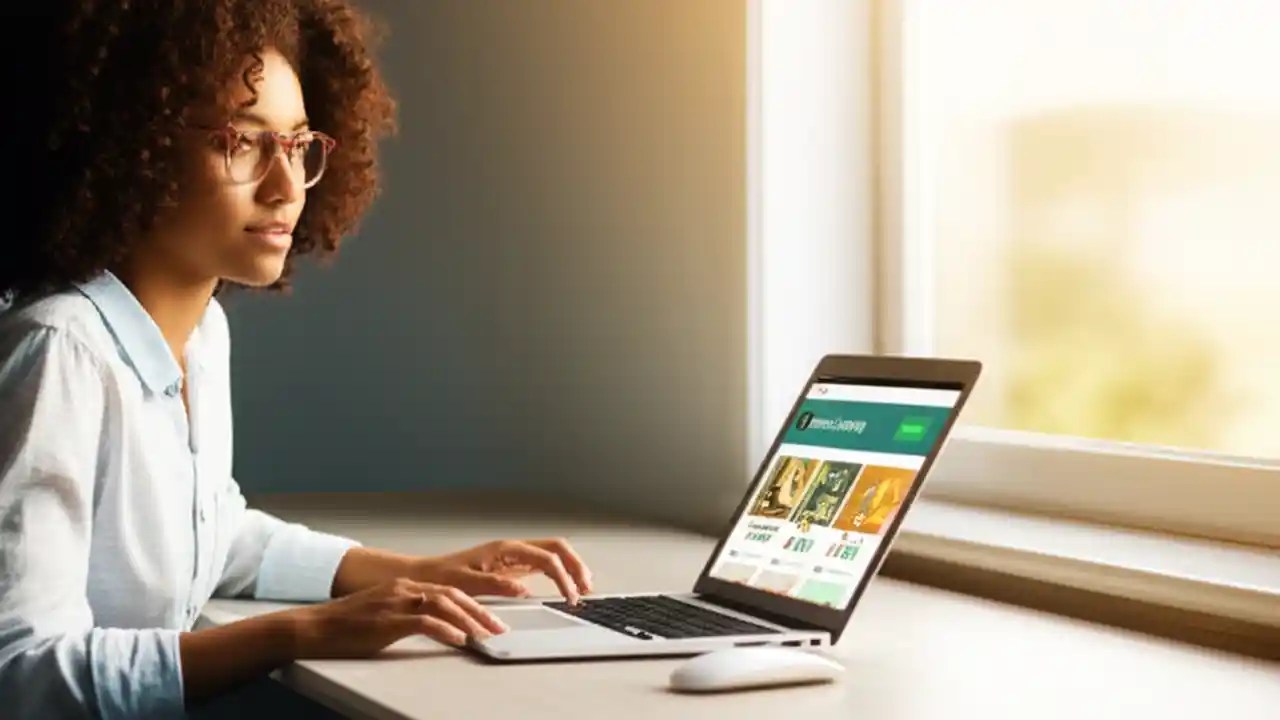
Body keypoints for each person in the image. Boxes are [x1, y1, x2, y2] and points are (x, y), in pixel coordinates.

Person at [0, 2, 593, 717]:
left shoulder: (201, 333)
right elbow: (23, 673)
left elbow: (210, 532)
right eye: (242, 143)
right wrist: (299, 632)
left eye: (299, 144)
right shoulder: (60, 351)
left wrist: (412, 572)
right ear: (134, 148)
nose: (285, 187)